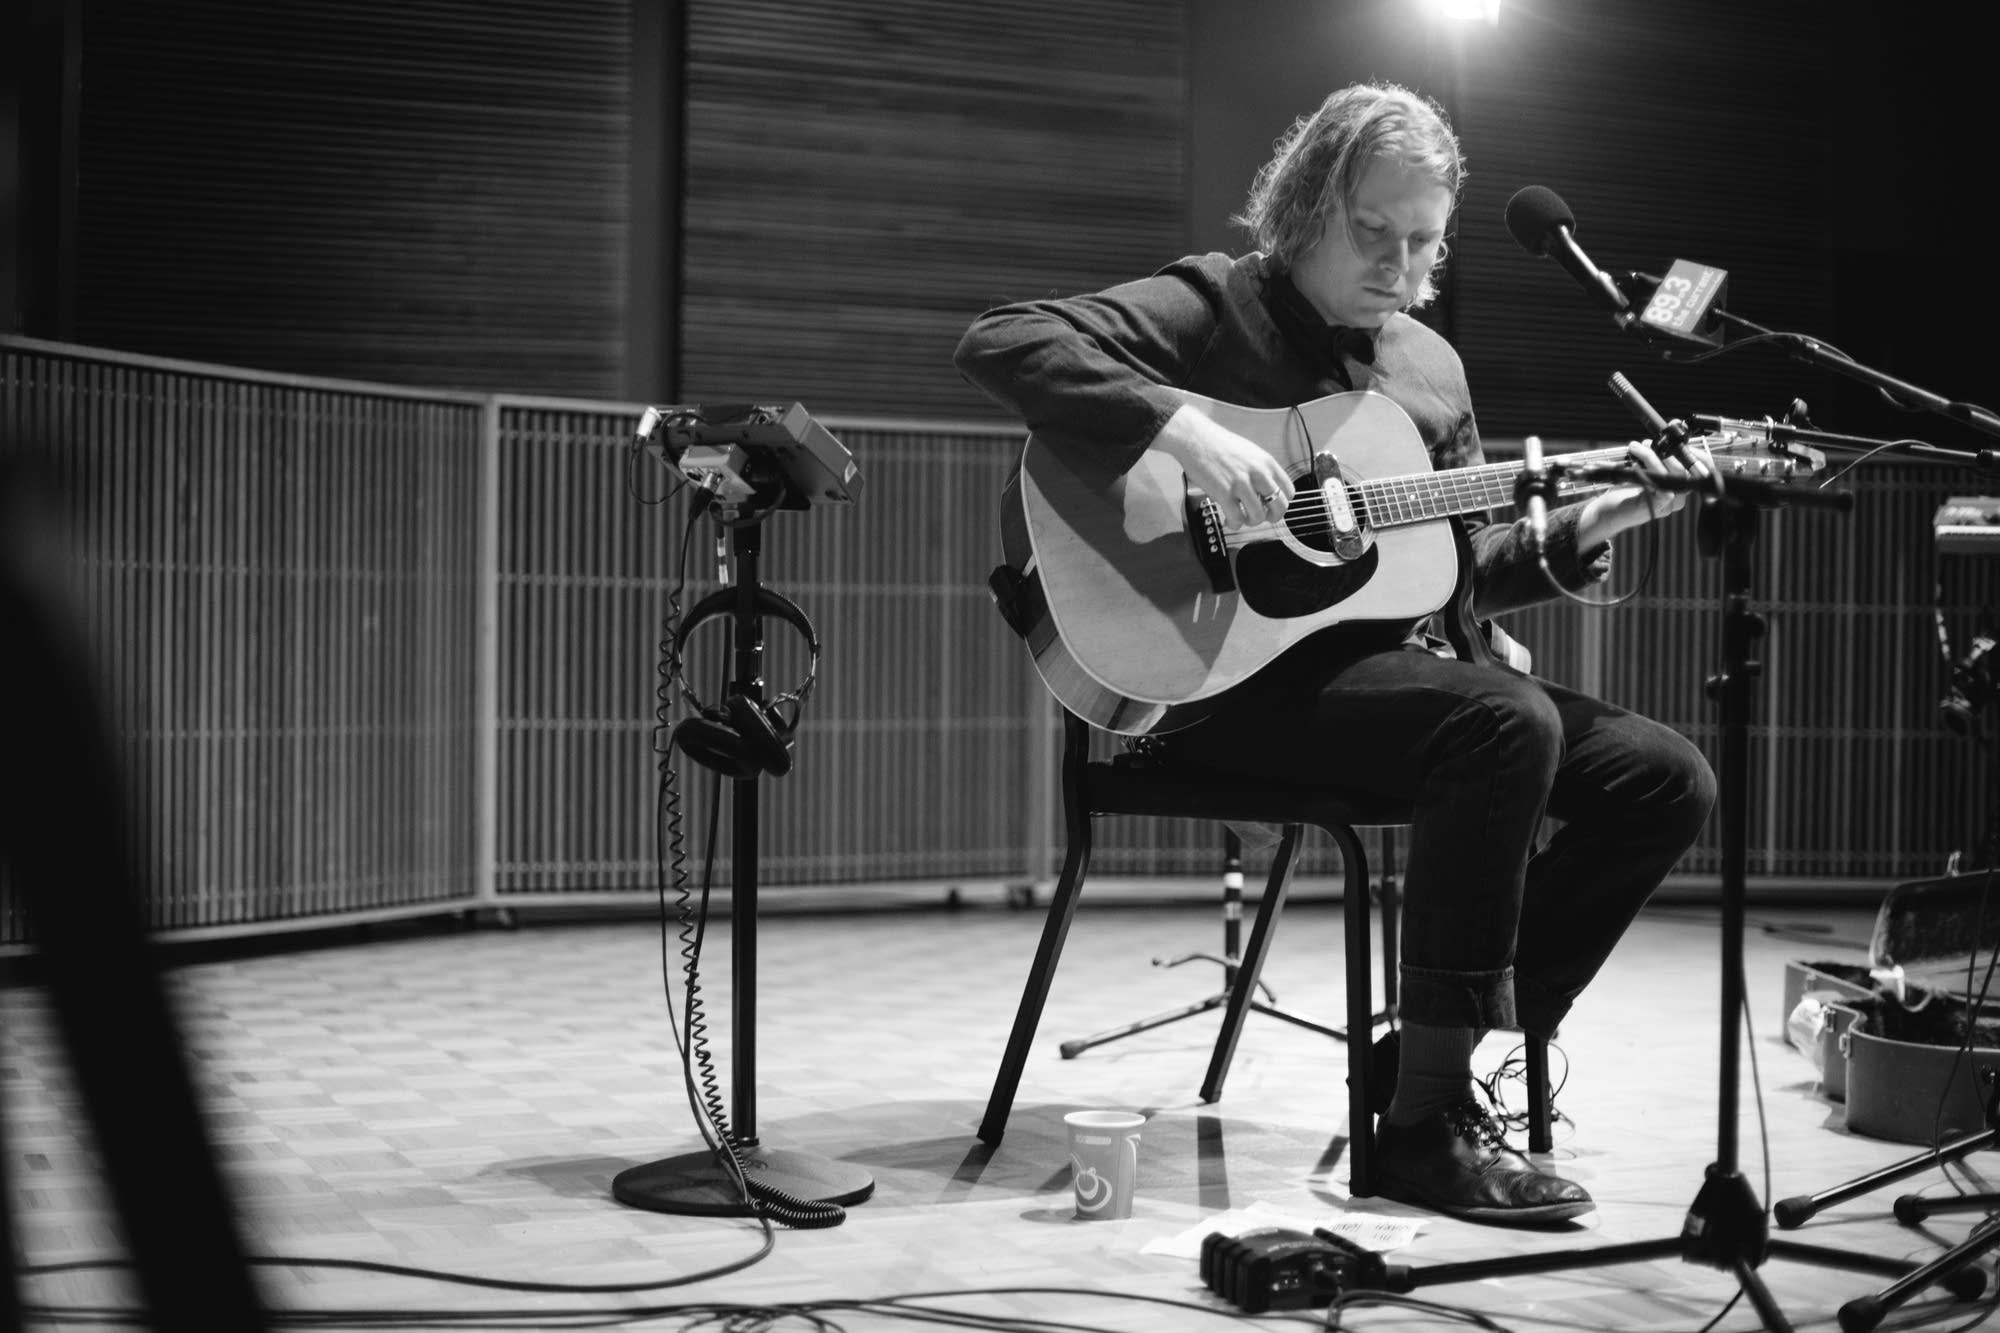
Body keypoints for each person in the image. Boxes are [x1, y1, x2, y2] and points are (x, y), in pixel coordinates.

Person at [953, 83, 1717, 1226]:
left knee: (1663, 777)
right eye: (1374, 233)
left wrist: (1572, 536)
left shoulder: (1429, 371)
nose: (1400, 264)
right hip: (1212, 693)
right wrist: (1182, 426)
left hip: (1371, 687)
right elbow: (1001, 339)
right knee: (1501, 720)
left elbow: (1450, 573)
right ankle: (1422, 1127)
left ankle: (1420, 1054)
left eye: (1422, 241)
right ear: (1306, 204)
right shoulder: (1211, 306)